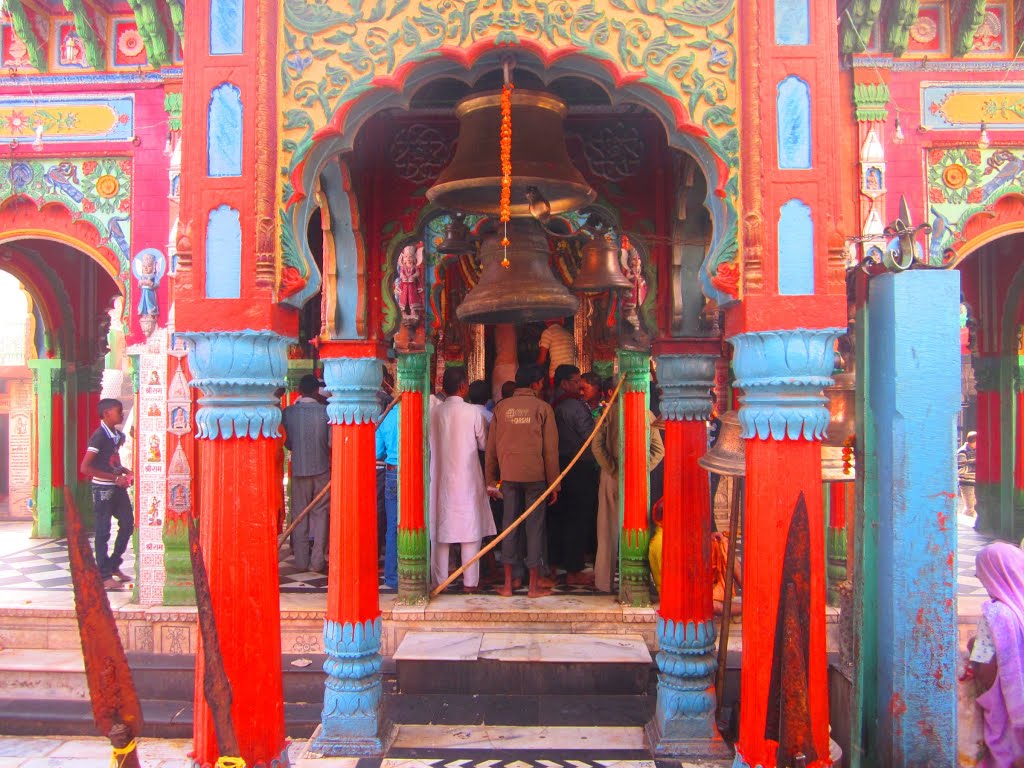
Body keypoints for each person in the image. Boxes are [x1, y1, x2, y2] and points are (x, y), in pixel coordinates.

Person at [485, 364, 560, 598]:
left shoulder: (501, 408)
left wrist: (490, 480)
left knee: (509, 526)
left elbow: (491, 449)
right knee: (534, 528)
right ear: (536, 384)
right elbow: (550, 451)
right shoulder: (543, 408)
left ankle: (509, 584)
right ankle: (534, 587)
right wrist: (555, 483)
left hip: (508, 477)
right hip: (535, 477)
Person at [429, 368, 496, 593]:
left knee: (440, 529)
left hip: (439, 476)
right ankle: (470, 583)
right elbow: (484, 444)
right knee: (470, 529)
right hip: (467, 476)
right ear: (463, 386)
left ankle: (441, 581)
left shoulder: (433, 413)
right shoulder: (472, 413)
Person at [592, 394, 665, 595]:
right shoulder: (648, 414)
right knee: (641, 526)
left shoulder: (608, 412)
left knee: (607, 529)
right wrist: (641, 469)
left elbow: (596, 446)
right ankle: (640, 581)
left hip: (611, 475)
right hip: (638, 476)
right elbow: (659, 450)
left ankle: (604, 582)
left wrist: (613, 470)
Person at [965, 542, 1024, 766]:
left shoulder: (996, 613)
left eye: (982, 578)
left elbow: (983, 664)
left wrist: (971, 646)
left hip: (1006, 706)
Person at [80, 398, 135, 591]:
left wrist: (125, 471)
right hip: (103, 489)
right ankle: (103, 576)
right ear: (106, 414)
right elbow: (86, 467)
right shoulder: (99, 437)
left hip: (117, 487)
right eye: (118, 411)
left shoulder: (117, 436)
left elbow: (112, 461)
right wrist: (114, 478)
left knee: (128, 523)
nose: (121, 414)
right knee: (103, 531)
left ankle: (114, 565)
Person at [550, 364, 597, 585]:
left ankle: (554, 567)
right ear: (564, 384)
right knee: (577, 518)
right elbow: (590, 437)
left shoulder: (552, 402)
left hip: (557, 466)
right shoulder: (574, 407)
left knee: (559, 517)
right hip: (578, 466)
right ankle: (573, 570)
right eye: (576, 381)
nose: (580, 385)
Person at [282, 374, 331, 574]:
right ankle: (317, 561)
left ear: (300, 390)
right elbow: (330, 443)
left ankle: (301, 561)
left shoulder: (288, 413)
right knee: (320, 515)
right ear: (315, 391)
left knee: (299, 515)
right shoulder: (325, 412)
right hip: (321, 469)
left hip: (299, 469)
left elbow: (287, 442)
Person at [375, 397, 400, 591]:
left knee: (393, 526)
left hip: (392, 472)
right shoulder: (422, 414)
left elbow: (376, 452)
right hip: (416, 473)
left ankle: (392, 577)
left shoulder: (387, 417)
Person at [537, 319, 576, 386]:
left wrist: (533, 371)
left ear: (546, 321)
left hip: (557, 376)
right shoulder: (569, 334)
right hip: (571, 375)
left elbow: (542, 359)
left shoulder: (548, 332)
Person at [959, 431, 978, 518]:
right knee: (969, 508)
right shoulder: (962, 452)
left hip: (975, 482)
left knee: (974, 508)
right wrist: (974, 465)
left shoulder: (976, 450)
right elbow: (960, 470)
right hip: (966, 483)